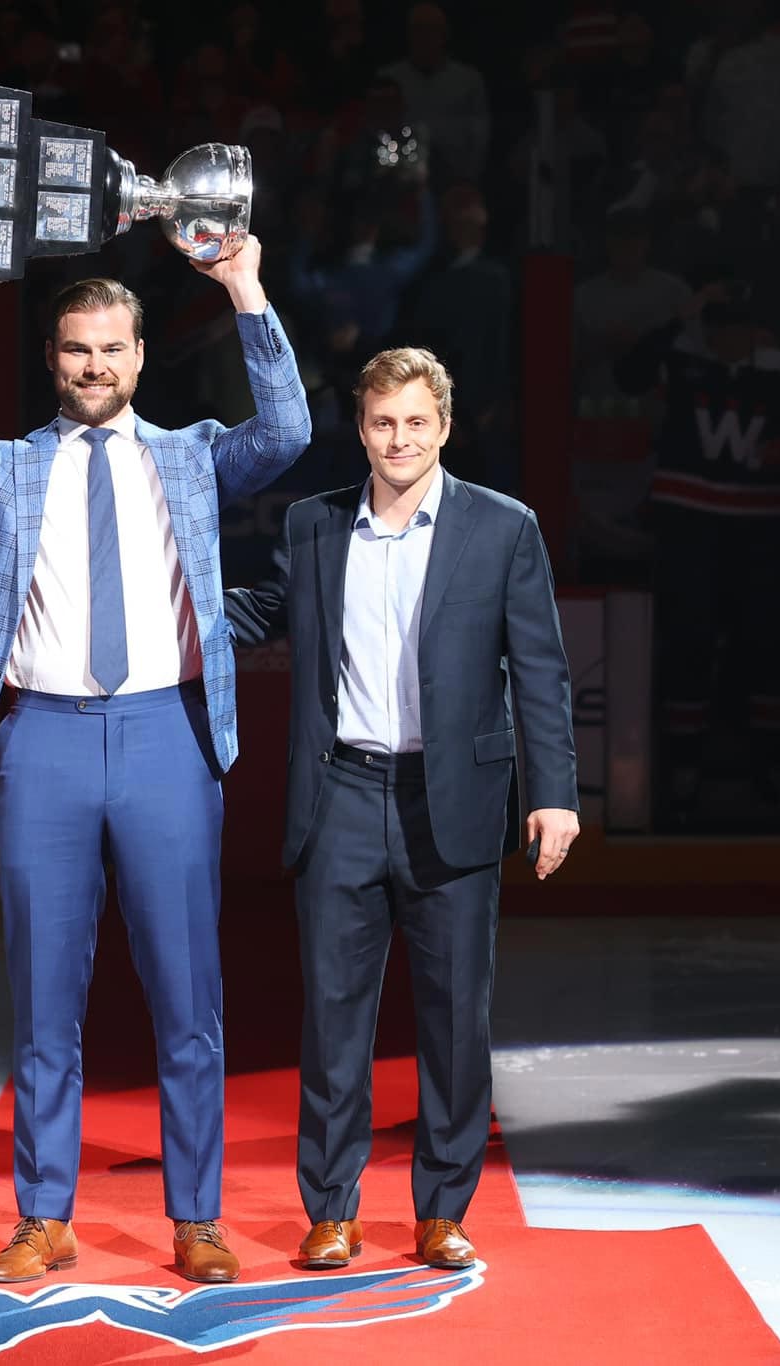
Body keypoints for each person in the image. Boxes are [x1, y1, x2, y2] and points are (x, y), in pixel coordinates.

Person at [0, 242, 311, 1285]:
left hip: (167, 730)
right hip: (45, 742)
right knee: (42, 998)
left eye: (109, 348)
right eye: (74, 349)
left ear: (140, 355)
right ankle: (41, 1214)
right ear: (49, 357)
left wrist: (245, 286)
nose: (91, 365)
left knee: (186, 993)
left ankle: (196, 1217)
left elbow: (290, 430)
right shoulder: (9, 464)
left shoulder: (193, 453)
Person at [224, 346, 578, 1275]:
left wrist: (554, 796)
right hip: (340, 793)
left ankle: (441, 1212)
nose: (399, 439)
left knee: (455, 1019)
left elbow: (540, 669)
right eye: (383, 422)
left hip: (451, 801)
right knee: (333, 1017)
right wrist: (163, 611)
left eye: (417, 422)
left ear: (445, 426)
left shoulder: (502, 528)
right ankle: (332, 1211)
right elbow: (261, 609)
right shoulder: (312, 525)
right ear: (362, 427)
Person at [615, 281, 780, 829]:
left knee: (766, 646)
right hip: (691, 526)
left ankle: (767, 767)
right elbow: (628, 376)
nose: (726, 337)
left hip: (762, 530)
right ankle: (683, 770)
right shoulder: (683, 359)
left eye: (737, 326)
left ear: (754, 330)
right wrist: (676, 323)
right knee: (689, 643)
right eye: (717, 325)